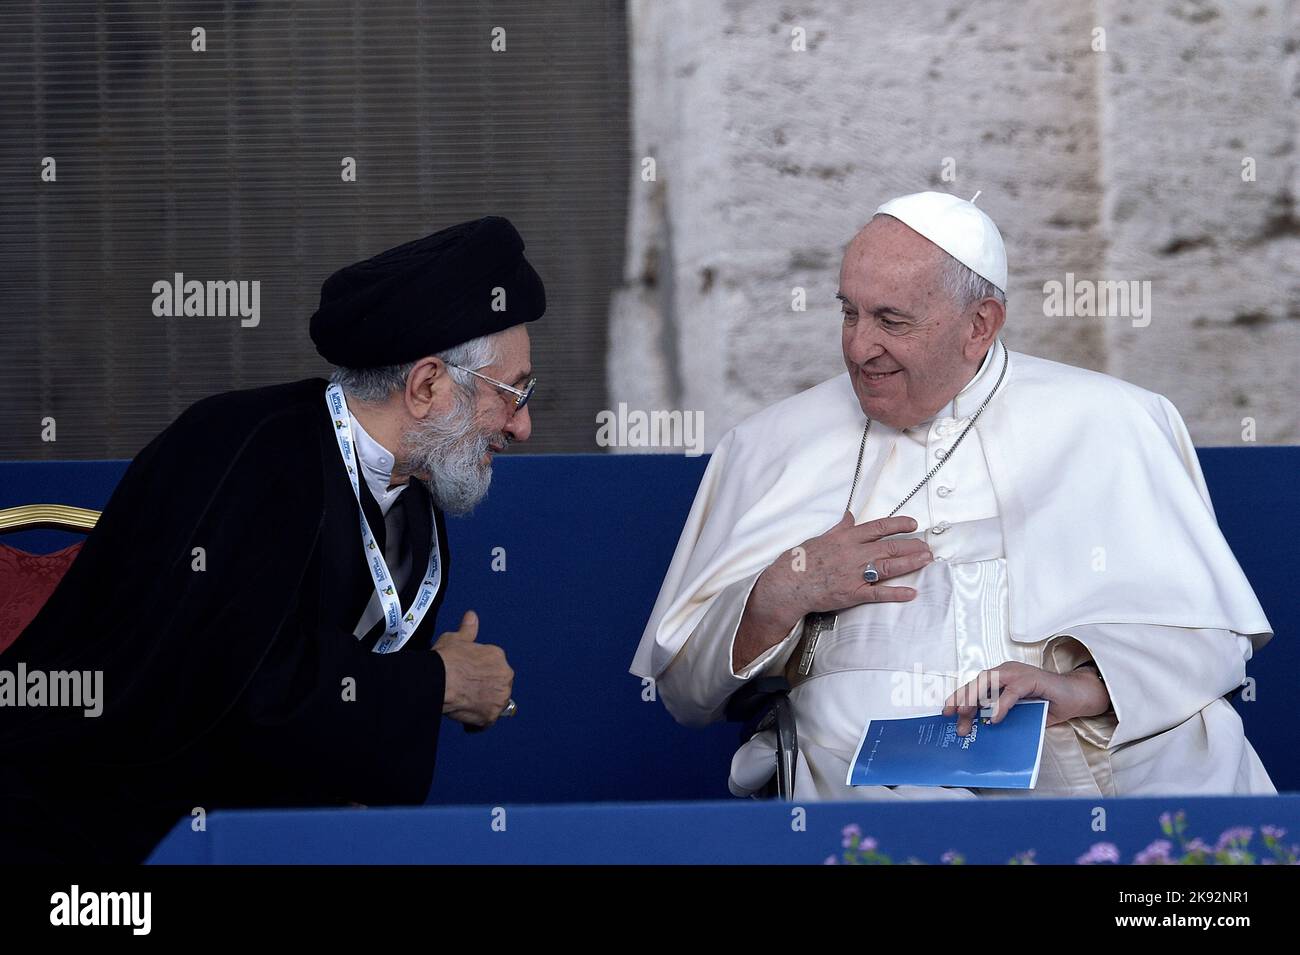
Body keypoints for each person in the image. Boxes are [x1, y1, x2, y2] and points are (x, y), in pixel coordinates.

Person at [631, 192, 1275, 802]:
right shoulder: (769, 445)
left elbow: (1210, 640)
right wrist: (780, 592)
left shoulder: (1115, 421)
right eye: (849, 312)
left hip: (1083, 764)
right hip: (861, 782)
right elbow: (685, 694)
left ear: (980, 325)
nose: (859, 347)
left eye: (892, 321)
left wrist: (1082, 686)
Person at [0, 216, 540, 861]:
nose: (523, 425)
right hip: (86, 846)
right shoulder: (246, 452)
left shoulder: (415, 498)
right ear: (426, 385)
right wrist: (434, 683)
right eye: (514, 393)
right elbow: (225, 688)